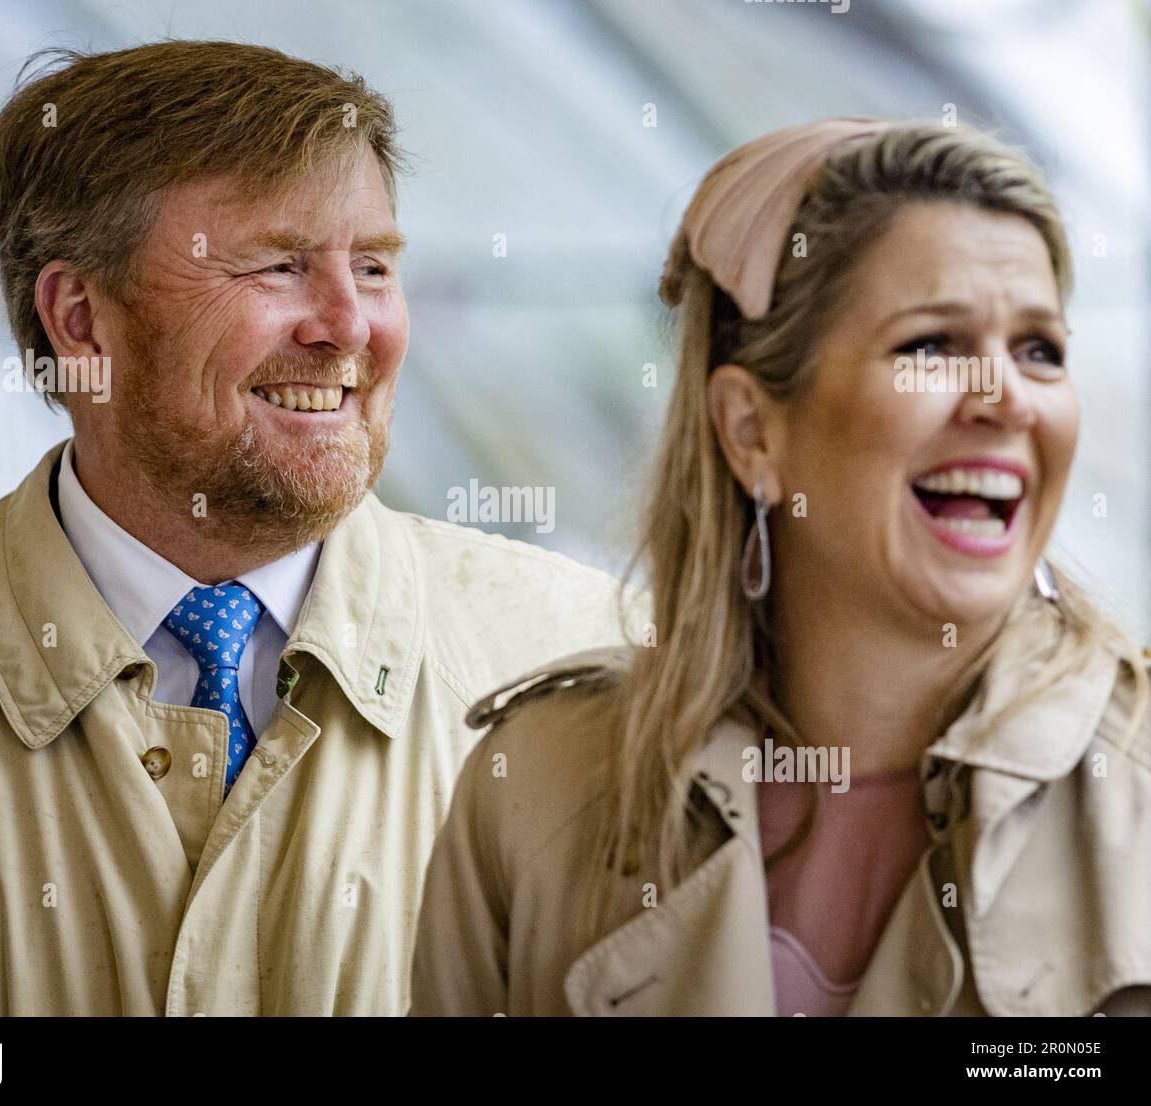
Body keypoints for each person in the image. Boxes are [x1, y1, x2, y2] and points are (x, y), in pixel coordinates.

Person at [0, 41, 631, 1016]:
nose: (353, 326)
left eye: (376, 265)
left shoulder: (579, 663)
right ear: (81, 319)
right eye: (278, 264)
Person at [409, 118, 1151, 1017]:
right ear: (753, 431)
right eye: (930, 347)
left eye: (1040, 350)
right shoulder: (537, 782)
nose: (1008, 403)